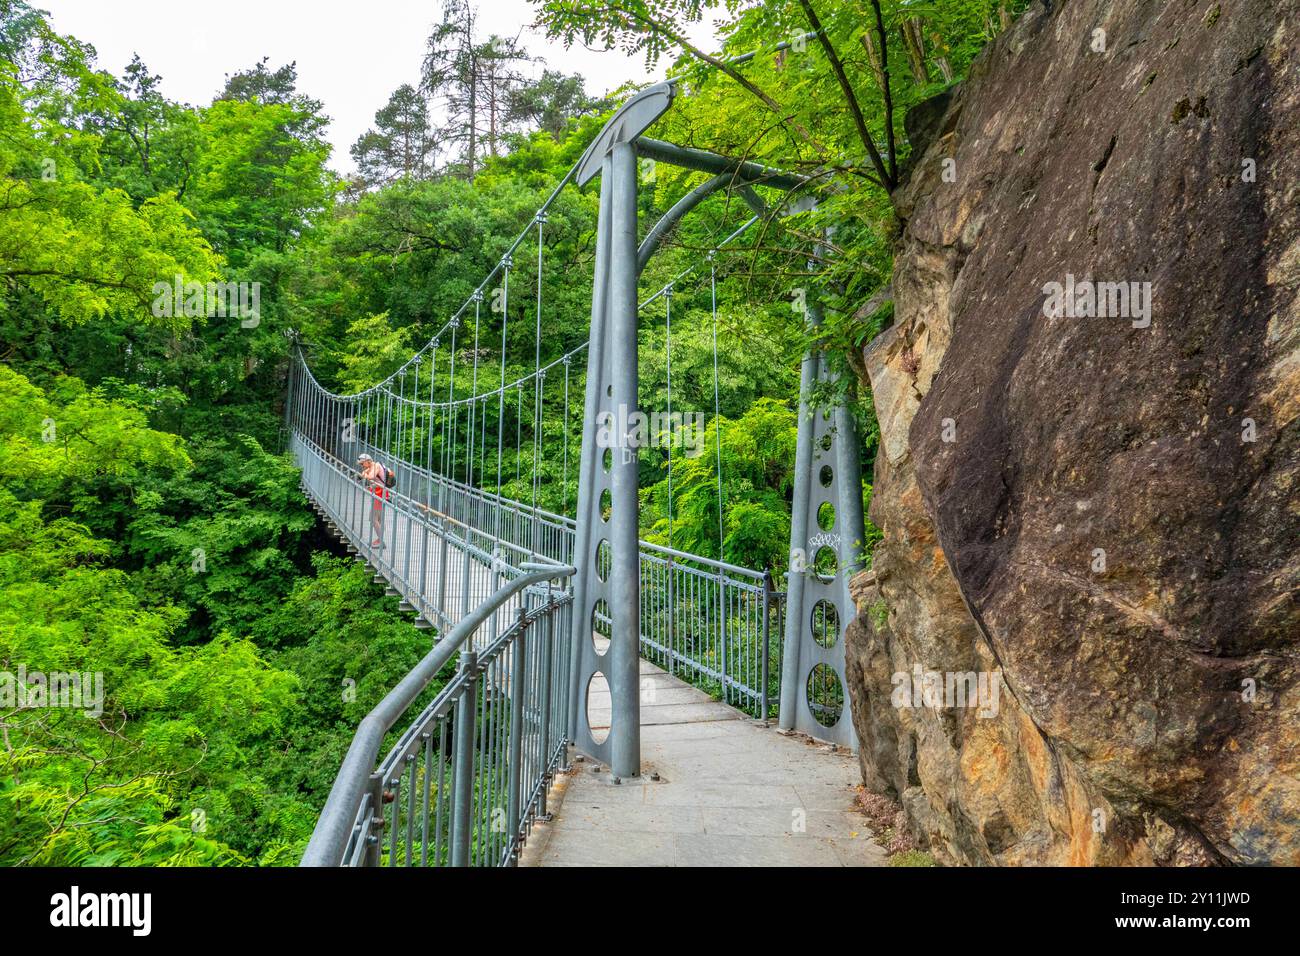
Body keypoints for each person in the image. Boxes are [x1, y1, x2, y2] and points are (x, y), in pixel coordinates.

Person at [358, 453, 389, 548]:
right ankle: (380, 539)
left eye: (362, 464)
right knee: (378, 519)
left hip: (380, 494)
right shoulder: (372, 466)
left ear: (368, 461)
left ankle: (381, 542)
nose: (362, 466)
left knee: (373, 518)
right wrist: (365, 473)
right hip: (380, 493)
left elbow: (370, 477)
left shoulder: (376, 466)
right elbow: (364, 474)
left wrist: (365, 474)